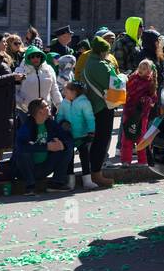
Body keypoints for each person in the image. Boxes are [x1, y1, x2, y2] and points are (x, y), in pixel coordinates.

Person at [81, 31, 121, 187]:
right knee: (101, 140)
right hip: (102, 106)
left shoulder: (89, 62)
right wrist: (124, 77)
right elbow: (113, 83)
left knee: (96, 140)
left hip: (94, 105)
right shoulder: (100, 65)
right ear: (101, 51)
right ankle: (97, 174)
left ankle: (94, 172)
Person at [11, 98, 73, 193]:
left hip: (44, 167)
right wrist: (46, 147)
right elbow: (21, 147)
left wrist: (63, 145)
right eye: (47, 106)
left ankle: (56, 183)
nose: (49, 108)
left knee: (68, 149)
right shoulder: (26, 127)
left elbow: (66, 137)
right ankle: (30, 186)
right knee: (23, 153)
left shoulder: (50, 123)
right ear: (40, 111)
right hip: (26, 170)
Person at [58, 81, 98, 189]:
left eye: (66, 91)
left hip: (83, 135)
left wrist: (91, 132)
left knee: (84, 157)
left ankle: (87, 180)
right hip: (69, 135)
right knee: (69, 158)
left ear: (74, 92)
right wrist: (61, 123)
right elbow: (60, 115)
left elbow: (90, 118)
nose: (64, 92)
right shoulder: (64, 103)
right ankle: (70, 182)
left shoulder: (84, 103)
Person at [119, 60, 157, 165]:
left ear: (149, 71)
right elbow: (125, 91)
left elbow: (153, 99)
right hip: (129, 112)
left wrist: (146, 100)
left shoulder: (150, 82)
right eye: (140, 67)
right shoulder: (132, 78)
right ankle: (126, 160)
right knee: (127, 136)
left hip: (142, 115)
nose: (141, 70)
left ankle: (143, 160)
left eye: (144, 69)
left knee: (141, 137)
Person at [14, 45, 61, 116]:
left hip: (45, 109)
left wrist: (60, 106)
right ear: (27, 58)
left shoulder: (49, 69)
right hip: (26, 111)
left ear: (41, 57)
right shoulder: (20, 71)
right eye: (32, 57)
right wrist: (22, 104)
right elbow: (14, 91)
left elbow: (54, 89)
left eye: (38, 56)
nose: (35, 58)